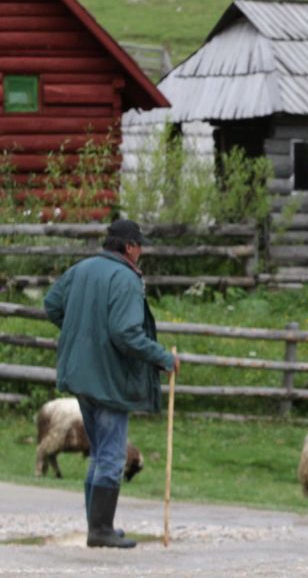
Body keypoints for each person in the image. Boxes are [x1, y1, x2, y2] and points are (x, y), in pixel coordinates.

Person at [44, 219, 178, 549]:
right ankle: (100, 530)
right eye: (140, 245)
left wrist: (81, 332)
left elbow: (51, 305)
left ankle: (100, 525)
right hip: (106, 378)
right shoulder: (126, 279)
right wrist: (162, 357)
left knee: (100, 453)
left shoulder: (83, 268)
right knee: (111, 456)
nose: (142, 251)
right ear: (130, 246)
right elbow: (126, 333)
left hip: (81, 375)